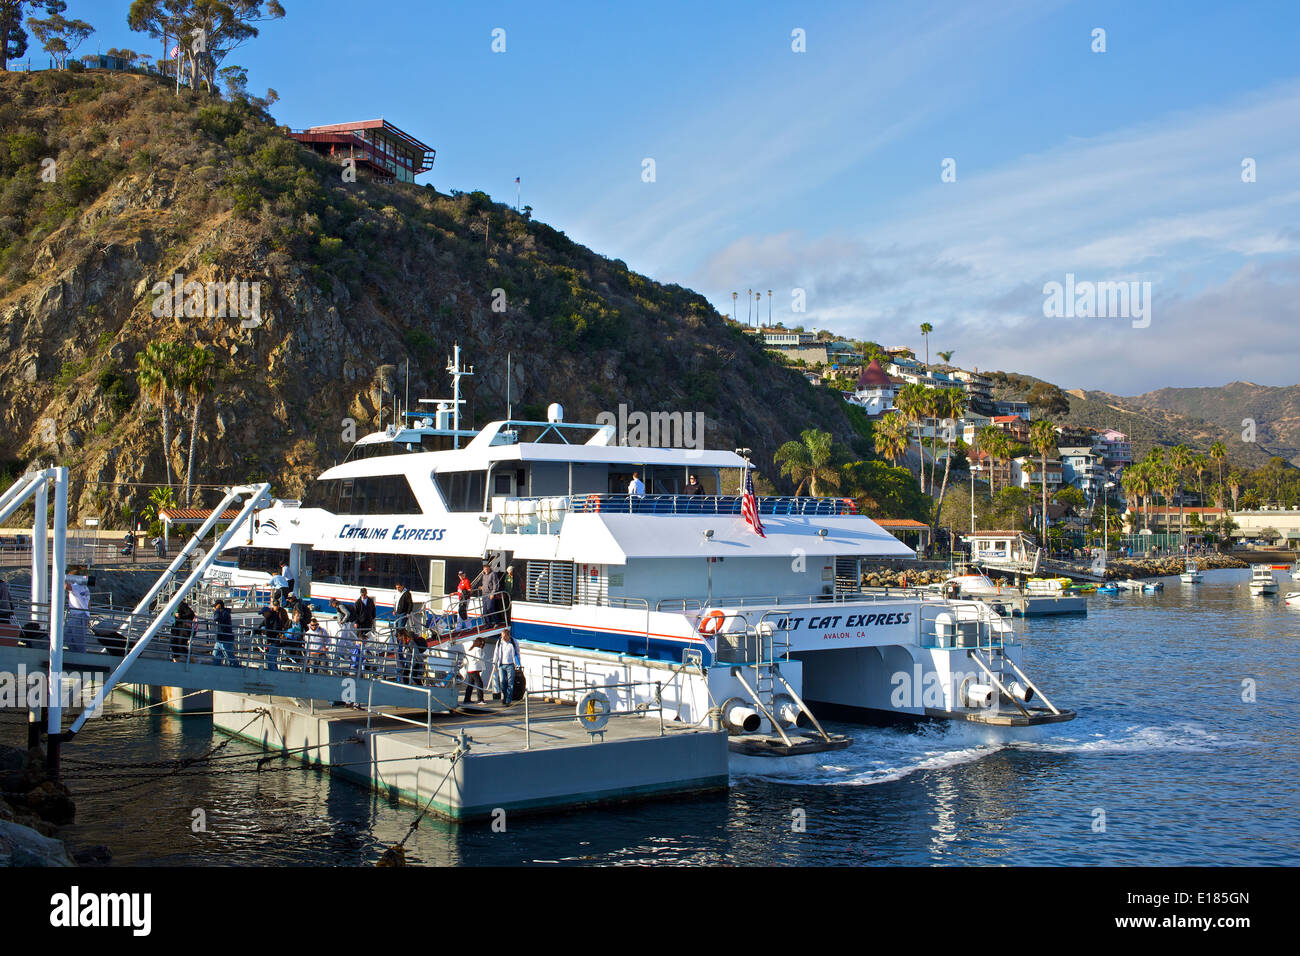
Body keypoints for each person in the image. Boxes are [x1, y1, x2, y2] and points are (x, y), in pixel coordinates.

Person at [492, 627, 521, 705]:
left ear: (508, 636)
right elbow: (496, 653)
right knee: (502, 682)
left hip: (510, 665)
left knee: (510, 683)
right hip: (501, 665)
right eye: (502, 636)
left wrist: (518, 665)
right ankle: (505, 696)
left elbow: (516, 654)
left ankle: (508, 700)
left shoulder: (512, 643)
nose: (503, 638)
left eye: (505, 636)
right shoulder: (499, 643)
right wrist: (494, 663)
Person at [212, 598, 238, 666]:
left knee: (229, 656)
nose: (214, 609)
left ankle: (236, 669)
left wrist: (217, 610)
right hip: (220, 639)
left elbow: (216, 618)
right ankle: (216, 668)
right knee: (216, 656)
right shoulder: (222, 613)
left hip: (226, 639)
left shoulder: (225, 613)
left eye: (215, 607)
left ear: (219, 606)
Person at [462, 636, 487, 704]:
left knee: (470, 685)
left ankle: (467, 699)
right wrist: (483, 654)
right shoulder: (478, 649)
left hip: (470, 669)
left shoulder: (470, 649)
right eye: (482, 644)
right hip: (475, 669)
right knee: (479, 684)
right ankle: (480, 699)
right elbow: (479, 658)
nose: (482, 645)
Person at [481, 561, 502, 626]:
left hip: (490, 594)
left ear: (489, 568)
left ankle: (496, 622)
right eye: (484, 568)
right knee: (484, 611)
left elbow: (495, 584)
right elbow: (485, 584)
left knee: (490, 608)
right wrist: (482, 587)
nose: (486, 570)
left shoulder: (493, 574)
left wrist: (493, 593)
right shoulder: (484, 575)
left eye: (487, 568)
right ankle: (488, 624)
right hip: (484, 594)